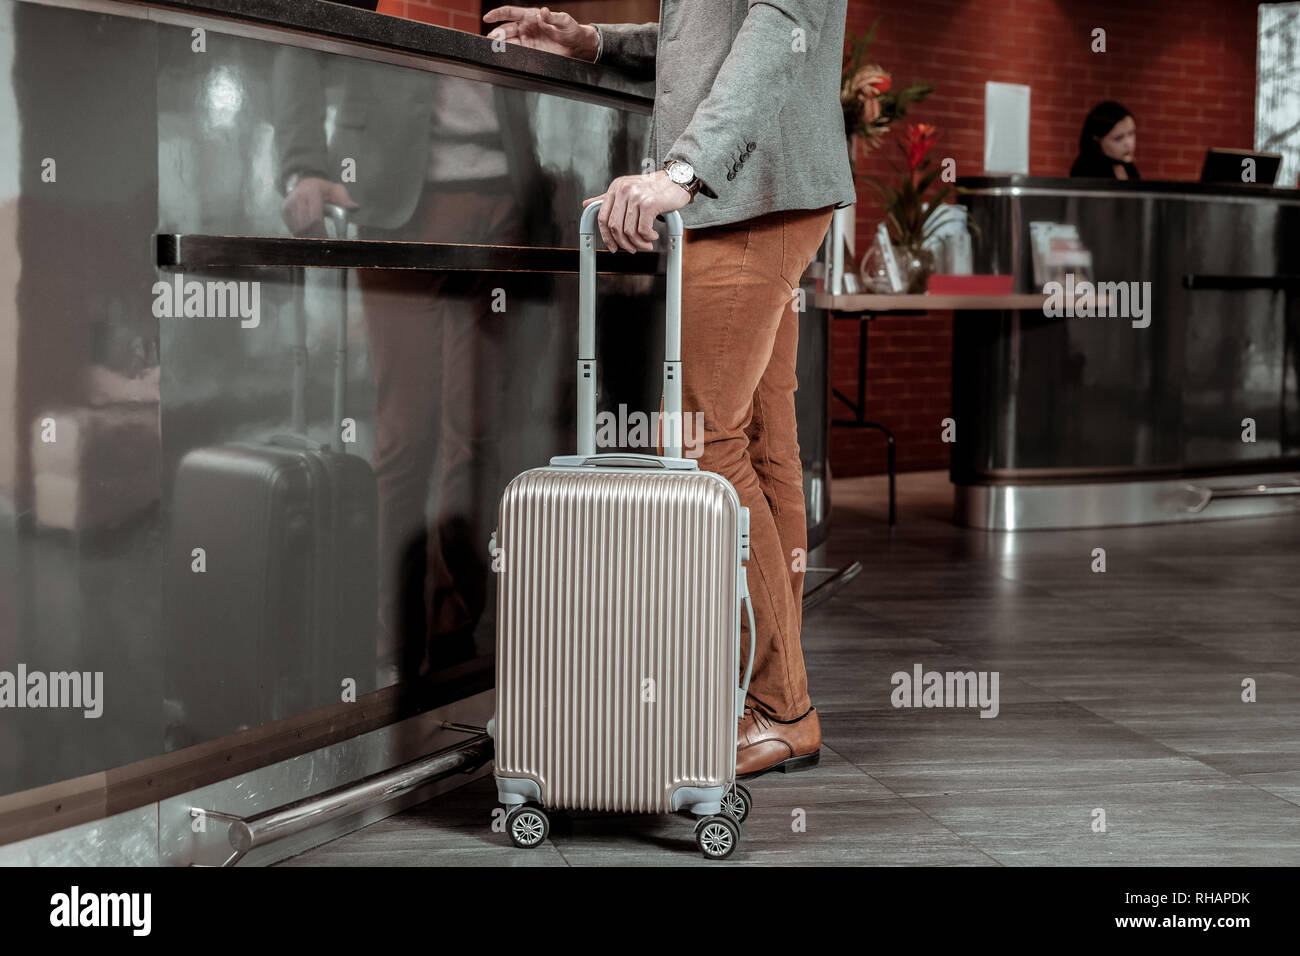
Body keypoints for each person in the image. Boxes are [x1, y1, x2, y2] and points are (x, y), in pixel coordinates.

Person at [483, 3, 856, 778]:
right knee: (756, 440)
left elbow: (784, 19)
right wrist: (594, 42)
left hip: (752, 189)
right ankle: (778, 696)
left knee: (700, 436)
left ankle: (781, 704)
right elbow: (709, 33)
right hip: (751, 191)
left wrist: (684, 169)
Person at [1070, 101, 1140, 180]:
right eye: (1118, 138)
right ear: (1097, 139)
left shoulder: (1127, 166)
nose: (1128, 143)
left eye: (1131, 133)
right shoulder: (1085, 169)